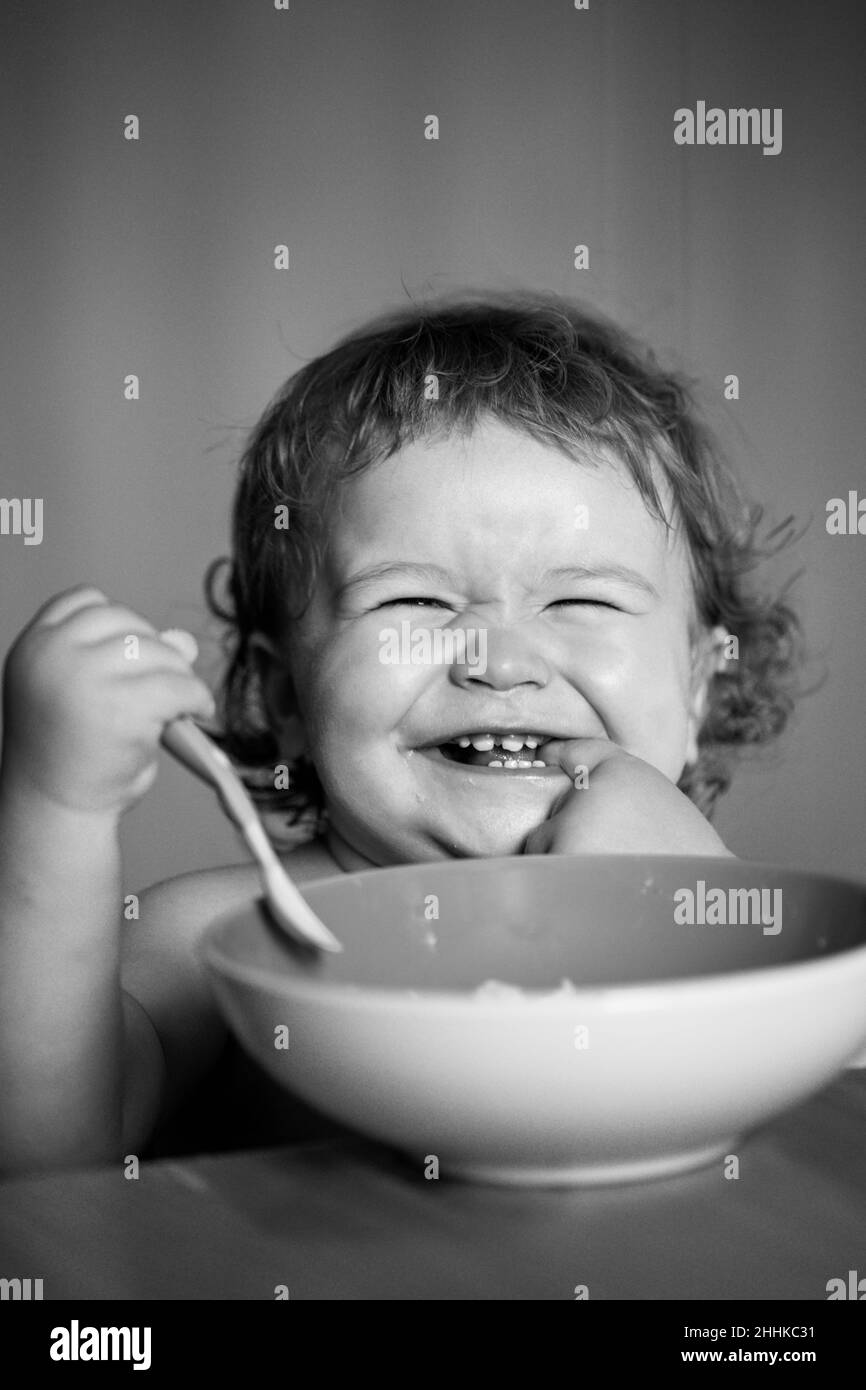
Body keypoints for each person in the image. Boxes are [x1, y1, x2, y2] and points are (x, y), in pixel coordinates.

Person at [0, 294, 806, 1175]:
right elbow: (46, 1158)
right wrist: (57, 805)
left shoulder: (735, 910)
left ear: (696, 690)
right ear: (285, 698)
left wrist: (667, 899)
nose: (498, 662)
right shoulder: (219, 939)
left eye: (582, 600)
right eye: (414, 600)